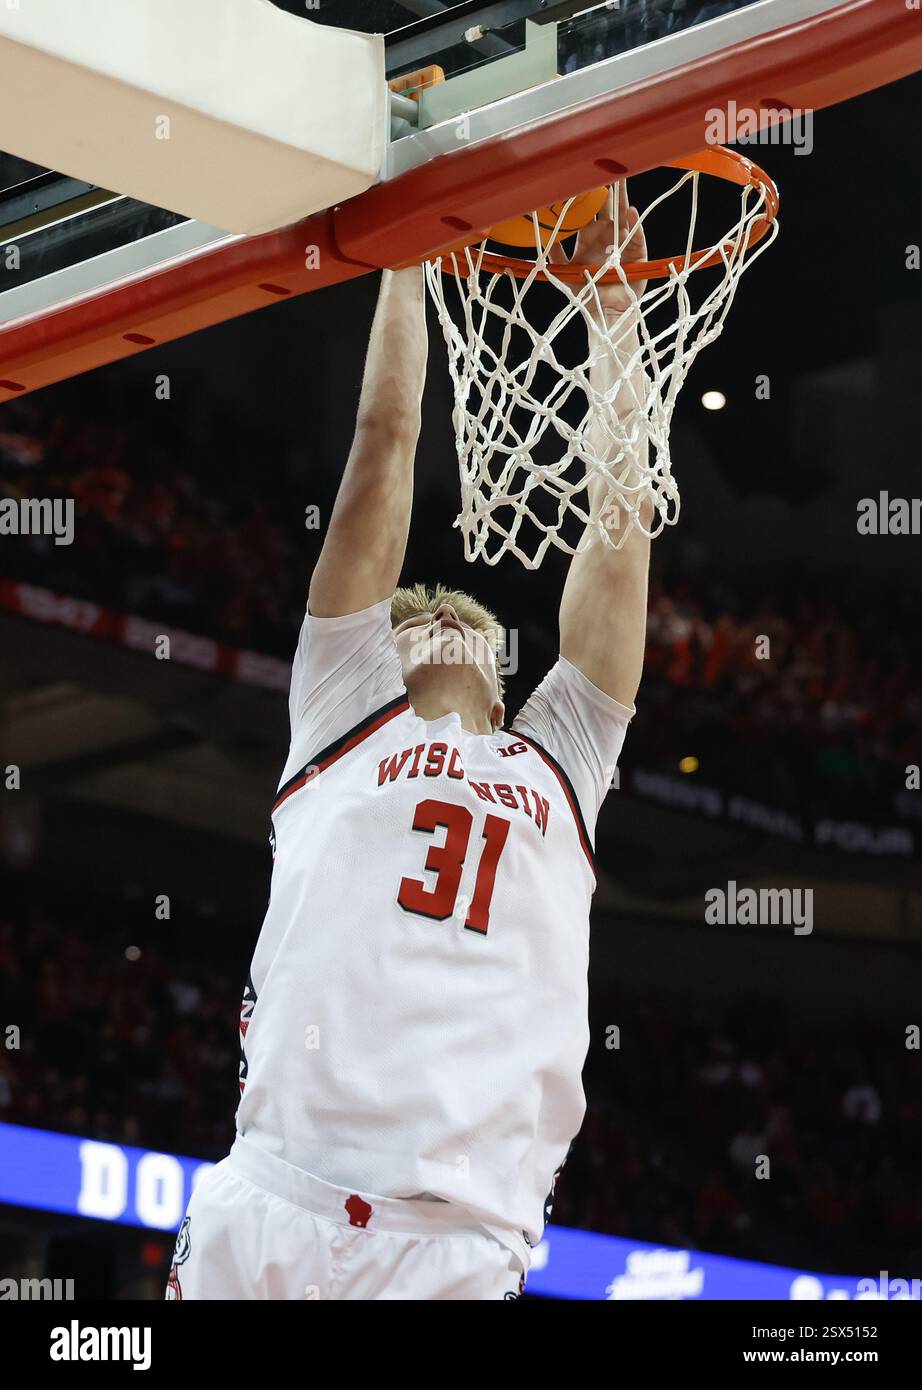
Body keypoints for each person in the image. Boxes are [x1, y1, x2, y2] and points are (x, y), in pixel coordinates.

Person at [167, 186, 653, 1300]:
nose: (441, 610)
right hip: (281, 1196)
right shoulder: (345, 709)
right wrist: (405, 258)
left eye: (466, 616)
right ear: (381, 647)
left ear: (503, 670)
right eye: (415, 606)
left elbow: (617, 536)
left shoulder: (561, 761)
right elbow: (386, 448)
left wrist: (616, 311)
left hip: (453, 1241)